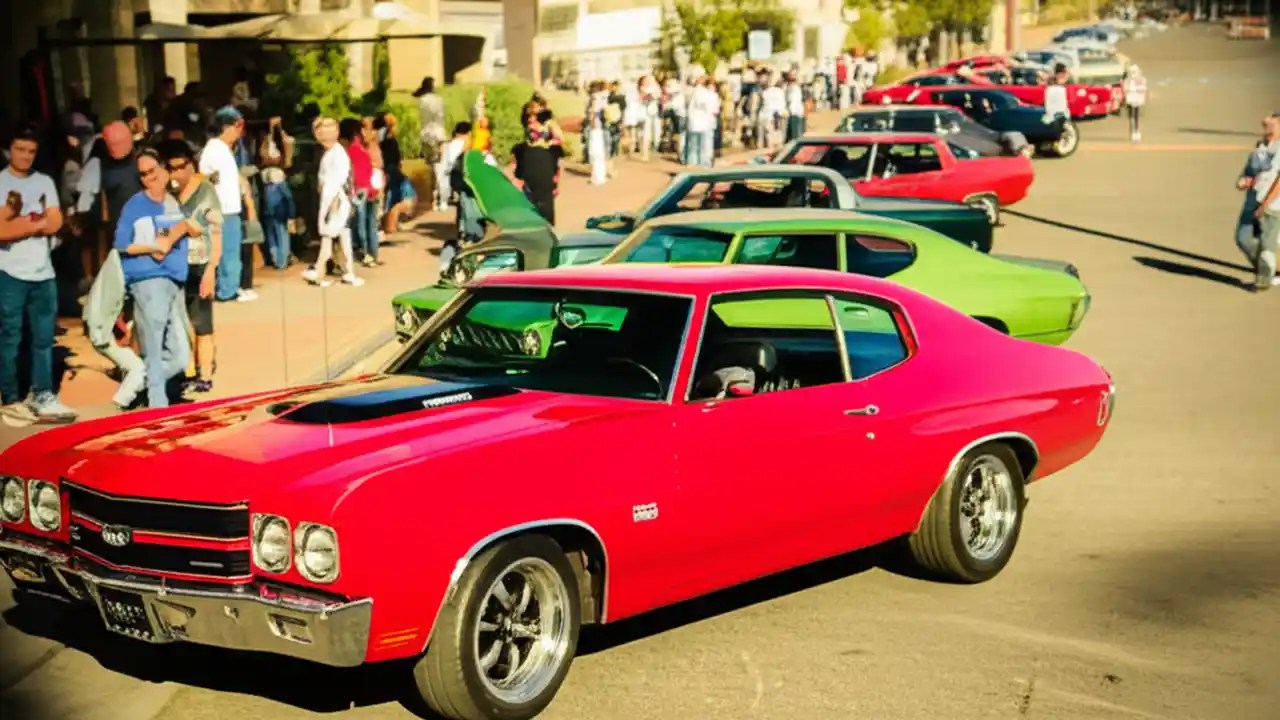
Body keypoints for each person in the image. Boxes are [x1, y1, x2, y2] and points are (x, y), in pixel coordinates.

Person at [0, 125, 77, 425]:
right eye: (20, 149)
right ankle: (10, 398)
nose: (25, 156)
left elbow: (56, 222)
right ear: (9, 150)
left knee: (44, 339)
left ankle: (43, 394)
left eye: (31, 151)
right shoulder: (1, 182)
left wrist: (19, 223)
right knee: (10, 337)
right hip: (9, 272)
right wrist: (35, 222)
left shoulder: (44, 181)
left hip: (43, 272)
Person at [114, 149, 197, 408]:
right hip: (147, 280)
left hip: (174, 280)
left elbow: (195, 226)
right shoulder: (135, 205)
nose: (150, 177)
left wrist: (178, 231)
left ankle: (136, 382)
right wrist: (153, 247)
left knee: (181, 356)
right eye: (143, 174)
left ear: (164, 169)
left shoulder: (173, 202)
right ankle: (156, 408)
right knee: (153, 346)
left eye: (153, 170)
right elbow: (121, 244)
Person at [158, 139, 222, 393]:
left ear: (191, 164)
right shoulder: (169, 193)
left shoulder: (206, 191)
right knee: (181, 322)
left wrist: (211, 270)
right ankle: (187, 370)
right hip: (175, 264)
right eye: (170, 168)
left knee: (202, 322)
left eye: (180, 167)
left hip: (200, 263)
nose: (175, 174)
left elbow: (216, 233)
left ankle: (204, 374)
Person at [199, 106, 251, 302]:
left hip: (230, 208)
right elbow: (205, 179)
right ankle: (226, 290)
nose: (239, 132)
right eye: (237, 127)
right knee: (225, 253)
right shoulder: (213, 150)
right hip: (222, 210)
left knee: (230, 252)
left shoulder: (224, 150)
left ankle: (230, 286)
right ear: (226, 127)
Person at [304, 116, 362, 287]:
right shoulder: (330, 153)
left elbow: (340, 178)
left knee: (328, 236)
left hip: (335, 199)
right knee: (343, 235)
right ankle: (350, 271)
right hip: (330, 197)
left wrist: (335, 200)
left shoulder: (337, 153)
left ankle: (319, 270)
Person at [1248, 113, 1280, 292]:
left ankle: (1263, 281)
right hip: (1266, 202)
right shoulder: (1267, 146)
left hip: (1273, 205)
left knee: (1267, 245)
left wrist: (1265, 204)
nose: (1266, 130)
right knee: (1268, 242)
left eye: (1271, 127)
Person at [258, 116, 295, 269]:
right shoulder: (278, 173)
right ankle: (282, 260)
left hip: (267, 204)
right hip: (278, 204)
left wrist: (272, 130)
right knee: (281, 232)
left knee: (271, 232)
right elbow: (287, 195)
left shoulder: (264, 172)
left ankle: (275, 258)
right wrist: (292, 211)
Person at [414, 76, 448, 211]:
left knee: (431, 169)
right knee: (440, 168)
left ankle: (433, 199)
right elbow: (440, 117)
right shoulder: (438, 100)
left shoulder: (421, 100)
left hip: (426, 136)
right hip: (438, 134)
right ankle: (442, 199)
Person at [1122, 64, 1148, 142]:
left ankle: (1136, 131)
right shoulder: (1128, 80)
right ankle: (1133, 131)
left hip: (1137, 99)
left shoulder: (1142, 79)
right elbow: (1125, 89)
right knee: (1132, 116)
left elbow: (1144, 88)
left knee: (1135, 116)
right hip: (1131, 99)